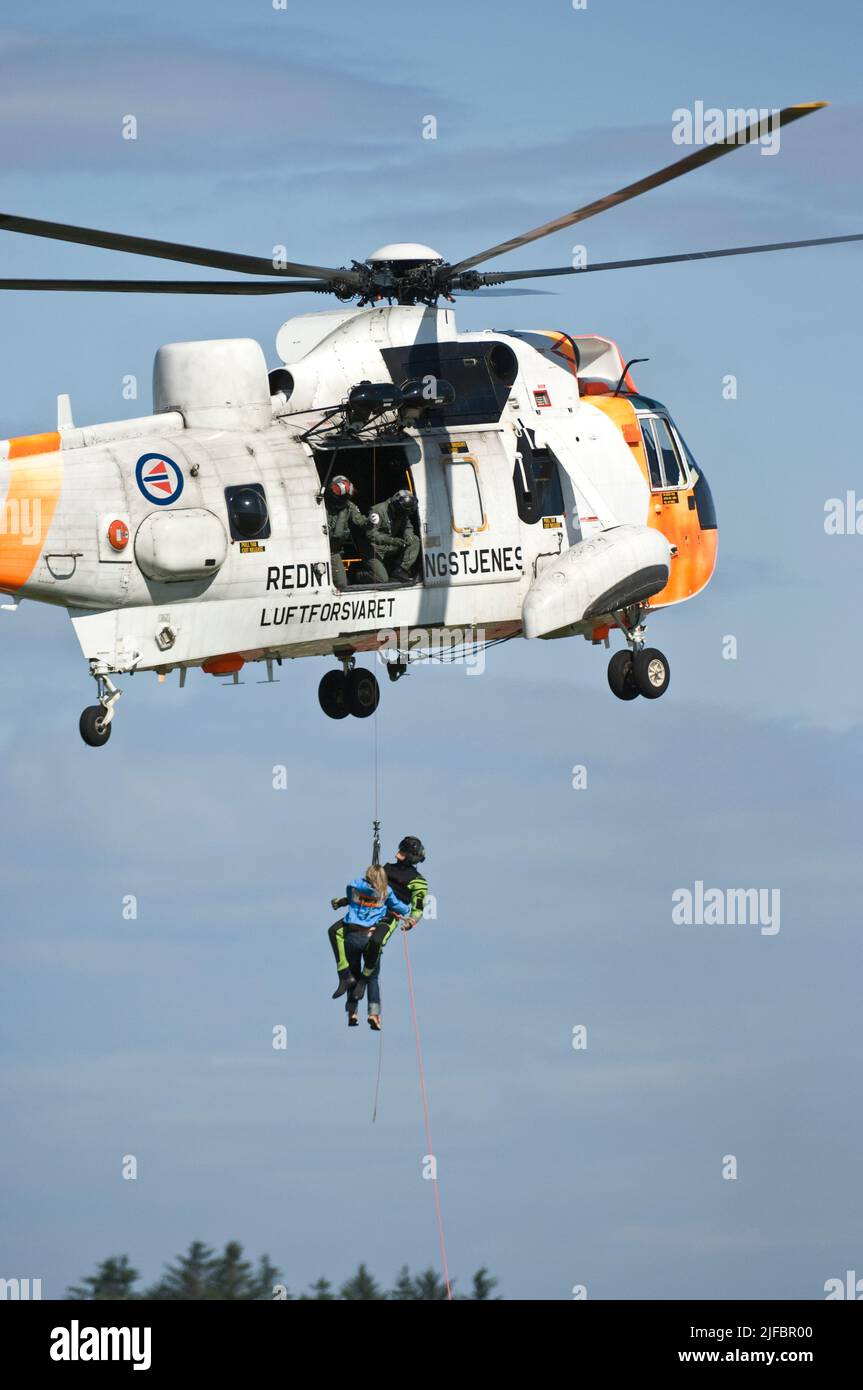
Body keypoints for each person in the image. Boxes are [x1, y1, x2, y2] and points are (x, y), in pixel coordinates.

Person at [345, 836, 429, 1027]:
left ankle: (355, 1010)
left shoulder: (408, 878)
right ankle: (366, 1012)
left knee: (358, 967)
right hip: (377, 914)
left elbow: (417, 907)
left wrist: (411, 921)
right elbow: (417, 906)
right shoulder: (393, 871)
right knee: (369, 970)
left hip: (379, 917)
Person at [328, 864, 408, 1028]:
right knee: (372, 978)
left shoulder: (354, 885)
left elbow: (350, 895)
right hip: (370, 938)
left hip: (351, 937)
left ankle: (352, 1012)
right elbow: (403, 908)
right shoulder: (386, 893)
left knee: (353, 976)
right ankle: (374, 1014)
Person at [324, 475, 379, 589]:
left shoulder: (348, 506)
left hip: (334, 551)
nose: (341, 501)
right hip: (321, 548)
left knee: (341, 584)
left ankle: (353, 574)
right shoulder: (321, 504)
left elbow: (361, 521)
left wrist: (370, 522)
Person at [366, 489, 421, 583]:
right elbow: (371, 534)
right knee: (382, 579)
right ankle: (357, 575)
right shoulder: (377, 511)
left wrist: (408, 536)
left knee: (414, 540)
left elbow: (407, 526)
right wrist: (392, 540)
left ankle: (400, 571)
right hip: (374, 549)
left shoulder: (402, 511)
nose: (403, 514)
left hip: (389, 546)